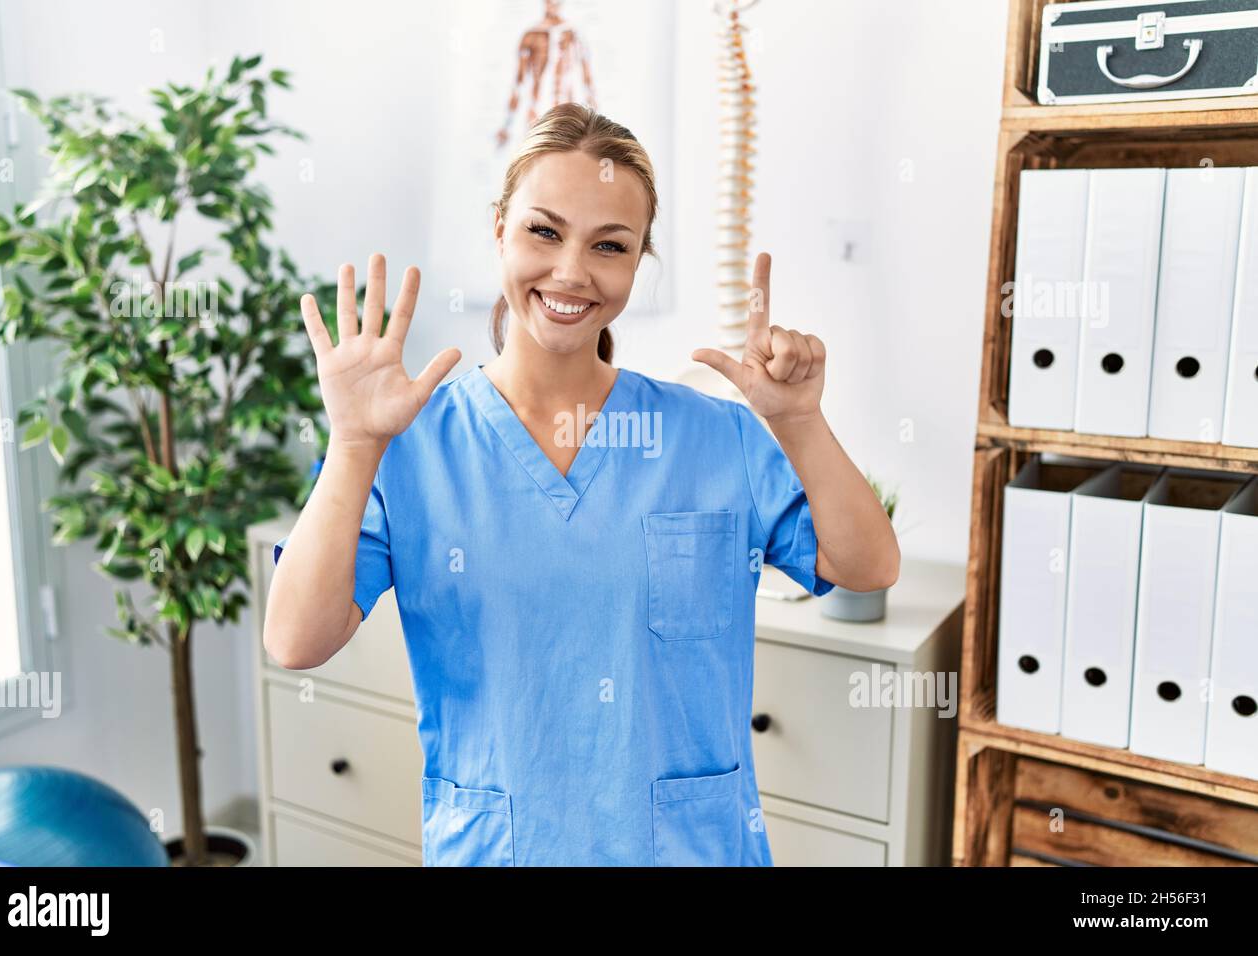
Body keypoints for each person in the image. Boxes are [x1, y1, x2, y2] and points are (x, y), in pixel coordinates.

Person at [263, 102, 900, 867]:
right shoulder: (411, 447)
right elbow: (295, 641)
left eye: (609, 245)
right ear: (499, 226)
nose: (571, 271)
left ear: (639, 261)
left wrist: (799, 422)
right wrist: (355, 443)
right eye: (543, 230)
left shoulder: (711, 436)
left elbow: (867, 568)